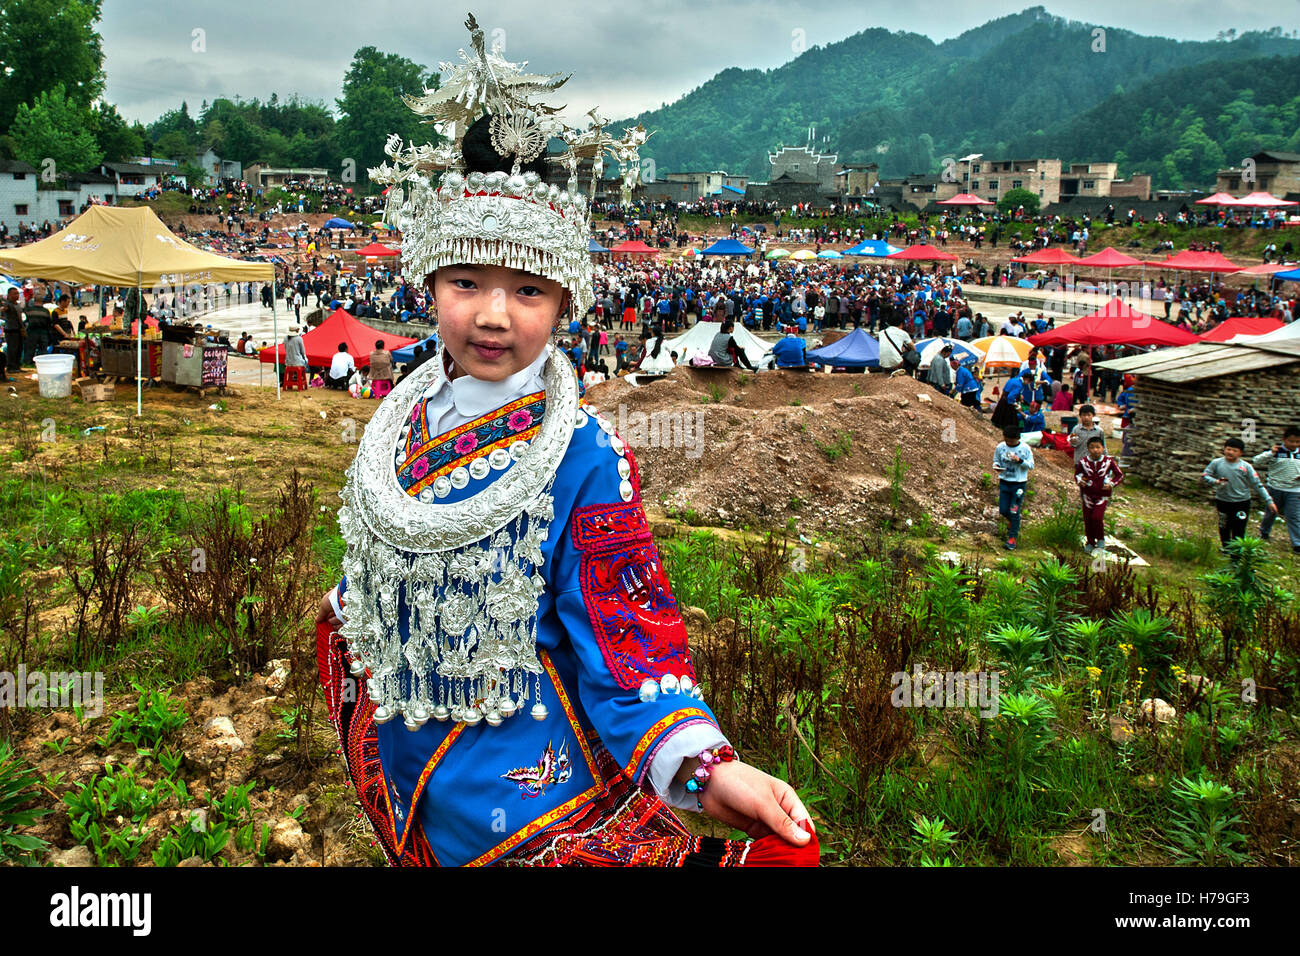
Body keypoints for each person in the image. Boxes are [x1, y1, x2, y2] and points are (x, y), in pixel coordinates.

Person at [313, 27, 815, 869]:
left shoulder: (584, 454)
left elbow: (630, 637)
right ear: (430, 284)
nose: (494, 315)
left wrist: (706, 769)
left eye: (528, 290)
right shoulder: (396, 419)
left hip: (530, 805)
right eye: (466, 282)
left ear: (565, 302)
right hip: (411, 784)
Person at [1201, 438, 1276, 547]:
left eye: (1234, 450)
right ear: (1224, 449)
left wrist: (1269, 501)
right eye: (1228, 449)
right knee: (1224, 525)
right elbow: (1205, 476)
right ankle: (1226, 548)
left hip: (1241, 502)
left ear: (1241, 453)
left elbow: (1257, 484)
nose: (1230, 452)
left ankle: (1236, 552)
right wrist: (1215, 481)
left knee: (1239, 527)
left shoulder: (1246, 467)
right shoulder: (1216, 463)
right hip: (1223, 500)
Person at [1255, 426, 1300, 553]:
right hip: (1275, 488)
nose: (1294, 444)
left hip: (1295, 490)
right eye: (1291, 441)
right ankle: (1264, 532)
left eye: (1297, 442)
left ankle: (1297, 543)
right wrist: (1271, 453)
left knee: (1294, 516)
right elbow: (1257, 461)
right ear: (1284, 440)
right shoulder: (1276, 452)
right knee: (1271, 513)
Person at [1075, 436, 1124, 554]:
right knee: (1087, 519)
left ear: (1103, 448)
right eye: (1092, 447)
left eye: (1098, 447)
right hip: (1087, 495)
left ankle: (1100, 540)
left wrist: (1111, 484)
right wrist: (1080, 481)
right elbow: (1077, 475)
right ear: (1088, 449)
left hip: (1102, 495)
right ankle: (1090, 542)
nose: (1095, 450)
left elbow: (1120, 475)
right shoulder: (1083, 462)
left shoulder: (1108, 462)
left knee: (1097, 517)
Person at [993, 425, 1034, 550]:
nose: (1009, 443)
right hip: (1005, 481)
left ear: (1018, 438)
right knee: (1004, 510)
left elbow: (1031, 465)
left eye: (1012, 441)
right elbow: (996, 460)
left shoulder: (1025, 449)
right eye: (1007, 440)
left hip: (1018, 484)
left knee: (1014, 510)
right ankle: (1013, 521)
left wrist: (1020, 460)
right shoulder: (1000, 447)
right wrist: (996, 466)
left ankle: (1012, 538)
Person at [3, 287, 24, 374]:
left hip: (19, 330)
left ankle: (17, 366)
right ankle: (11, 367)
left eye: (17, 293)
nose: (17, 295)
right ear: (9, 295)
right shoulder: (7, 304)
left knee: (19, 349)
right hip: (11, 330)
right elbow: (4, 308)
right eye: (14, 293)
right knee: (12, 349)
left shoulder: (17, 305)